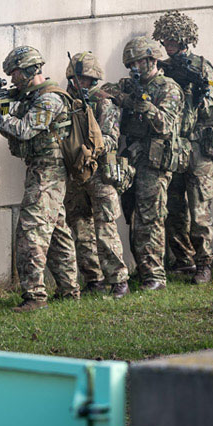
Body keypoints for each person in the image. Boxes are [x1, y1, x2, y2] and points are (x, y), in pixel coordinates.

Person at [0, 45, 80, 311]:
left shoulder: (48, 99)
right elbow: (15, 132)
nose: (13, 79)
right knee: (56, 231)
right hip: (41, 171)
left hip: (49, 173)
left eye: (16, 73)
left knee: (30, 232)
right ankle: (69, 290)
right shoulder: (32, 98)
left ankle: (35, 296)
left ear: (30, 70)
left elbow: (23, 130)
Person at [108, 36, 184, 291]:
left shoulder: (168, 88)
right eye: (131, 64)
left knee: (151, 218)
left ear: (152, 60)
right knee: (134, 215)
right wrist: (127, 99)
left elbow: (167, 125)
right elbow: (107, 91)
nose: (135, 67)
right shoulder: (131, 85)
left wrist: (147, 108)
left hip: (155, 160)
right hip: (133, 158)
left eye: (139, 62)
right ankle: (143, 271)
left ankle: (155, 276)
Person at [153, 11, 213, 284]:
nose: (168, 44)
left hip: (196, 146)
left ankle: (204, 262)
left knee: (199, 208)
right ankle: (183, 260)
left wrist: (199, 90)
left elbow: (210, 110)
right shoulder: (163, 68)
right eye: (165, 40)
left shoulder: (202, 67)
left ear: (185, 39)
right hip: (173, 146)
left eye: (173, 39)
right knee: (173, 207)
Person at [62, 51, 130, 298]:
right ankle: (93, 279)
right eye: (78, 78)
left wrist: (92, 146)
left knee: (105, 228)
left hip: (100, 172)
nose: (81, 82)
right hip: (76, 173)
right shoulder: (64, 102)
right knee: (80, 228)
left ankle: (119, 281)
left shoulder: (103, 102)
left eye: (86, 79)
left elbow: (112, 138)